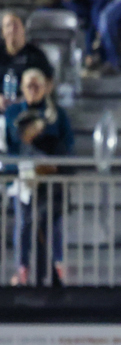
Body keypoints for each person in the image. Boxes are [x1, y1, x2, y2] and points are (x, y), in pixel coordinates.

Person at [5, 68, 75, 286]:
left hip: (50, 182)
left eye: (37, 85)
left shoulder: (57, 114)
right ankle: (22, 267)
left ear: (45, 88)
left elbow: (67, 144)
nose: (33, 90)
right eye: (29, 86)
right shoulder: (13, 112)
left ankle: (57, 265)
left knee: (53, 225)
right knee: (23, 224)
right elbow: (8, 145)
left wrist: (53, 164)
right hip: (23, 179)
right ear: (22, 88)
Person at [0, 10, 55, 99]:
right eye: (8, 26)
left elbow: (49, 83)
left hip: (27, 103)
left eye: (16, 26)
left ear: (23, 29)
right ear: (2, 31)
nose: (12, 30)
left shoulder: (36, 55)